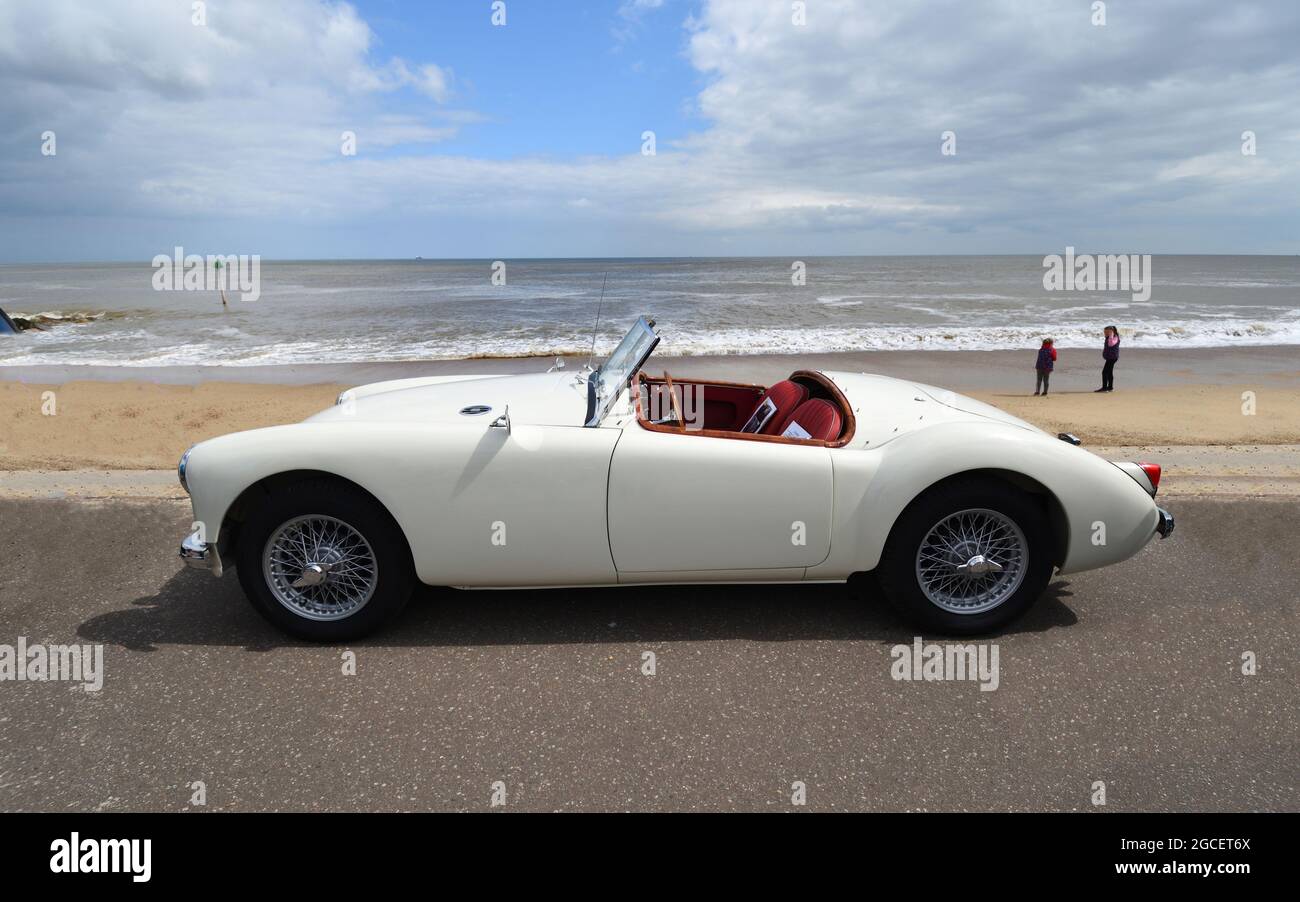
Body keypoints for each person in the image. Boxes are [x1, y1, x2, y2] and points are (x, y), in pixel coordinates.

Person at [1096, 325, 1120, 392]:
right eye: (1104, 332)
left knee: (1104, 372)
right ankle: (1110, 387)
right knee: (1109, 372)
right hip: (1110, 357)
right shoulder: (1109, 337)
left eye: (1107, 332)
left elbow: (1110, 344)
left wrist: (1111, 335)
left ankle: (1104, 388)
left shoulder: (1115, 337)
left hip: (1112, 357)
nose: (1105, 334)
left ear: (1111, 332)